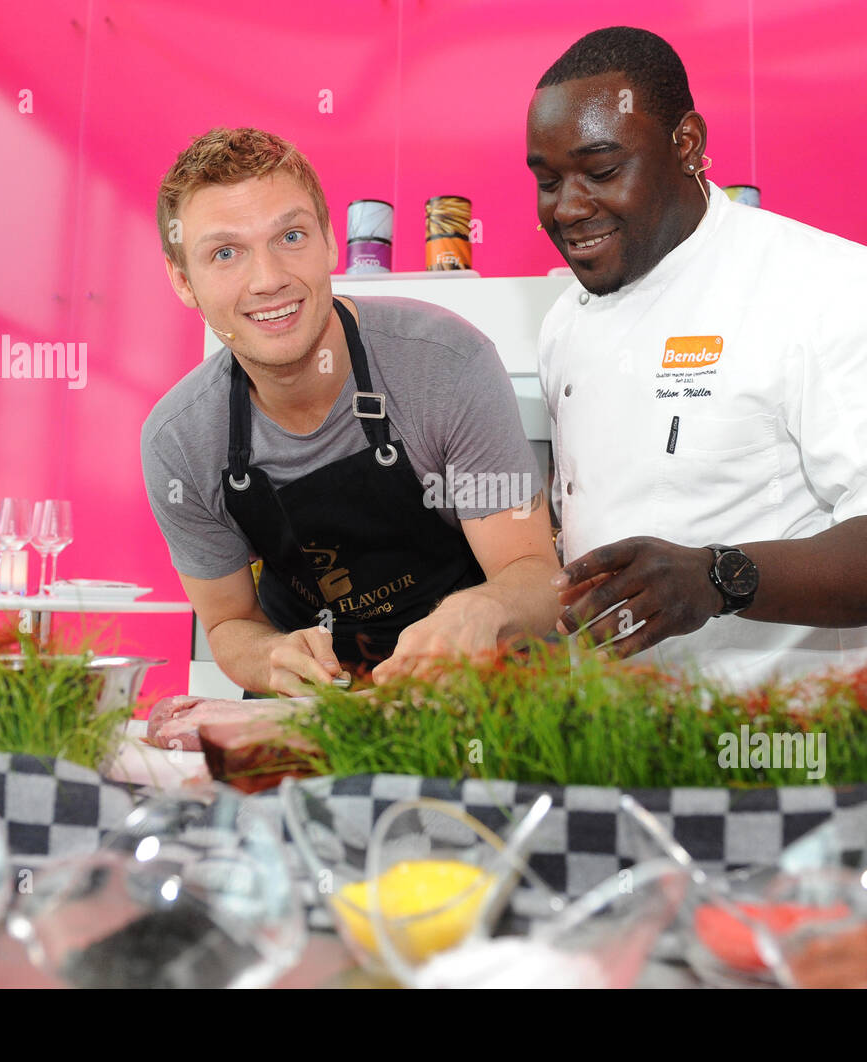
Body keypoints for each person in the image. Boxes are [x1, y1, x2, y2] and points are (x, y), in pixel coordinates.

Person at [525, 27, 867, 689]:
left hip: (795, 748)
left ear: (687, 144)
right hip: (623, 741)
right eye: (548, 181)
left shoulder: (833, 288)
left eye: (603, 171)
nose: (569, 208)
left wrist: (720, 578)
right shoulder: (563, 326)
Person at [142, 128, 559, 696]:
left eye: (290, 236)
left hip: (477, 701)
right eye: (225, 253)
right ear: (183, 282)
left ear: (331, 243)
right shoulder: (181, 439)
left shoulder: (445, 365)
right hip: (313, 714)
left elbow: (535, 575)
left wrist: (481, 611)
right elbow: (228, 622)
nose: (268, 279)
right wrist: (268, 657)